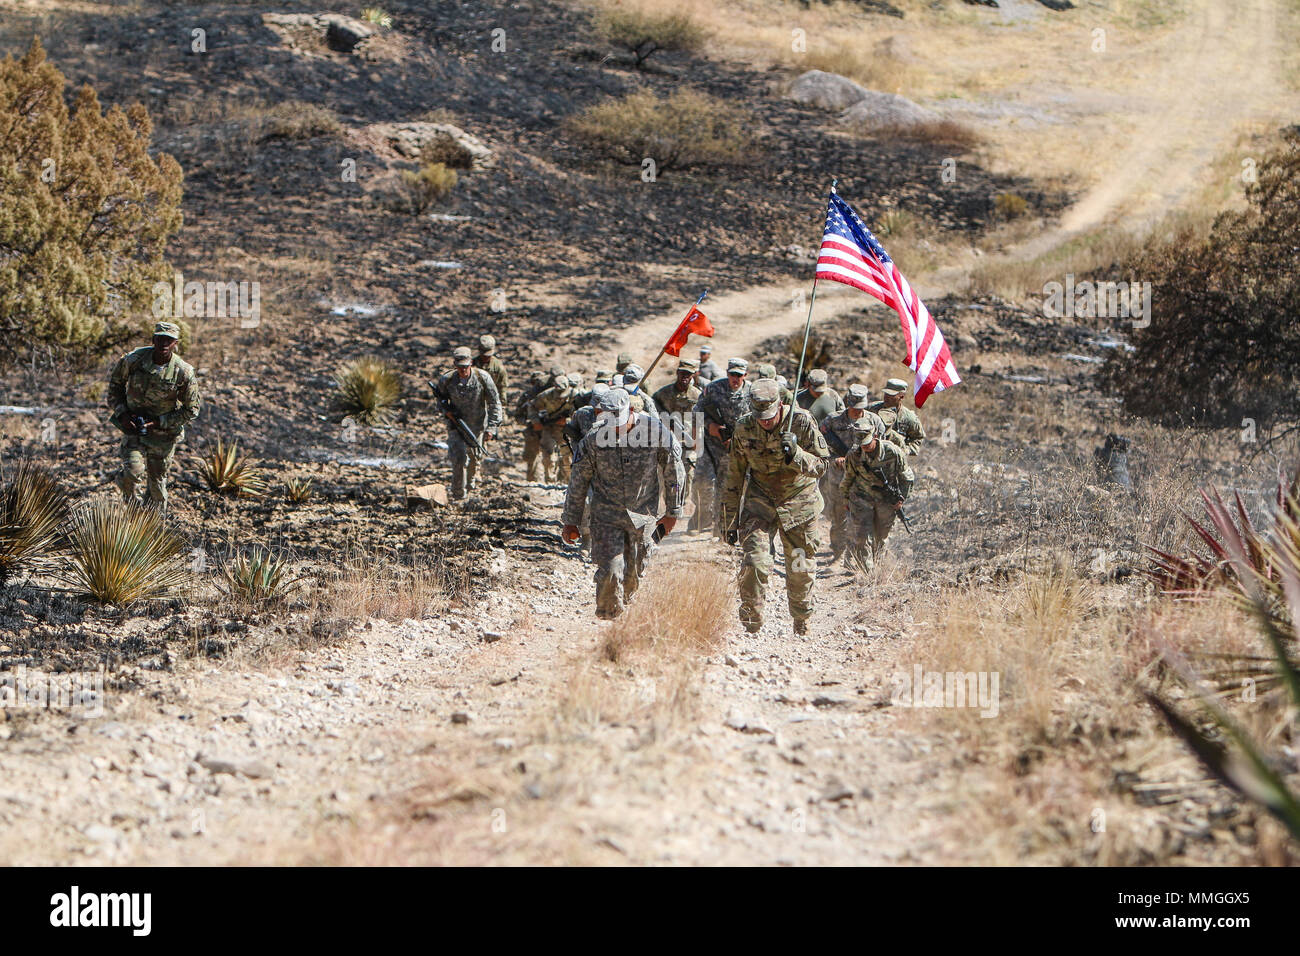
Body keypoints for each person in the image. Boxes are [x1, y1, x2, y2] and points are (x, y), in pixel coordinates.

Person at [561, 388, 684, 619]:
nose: (614, 428)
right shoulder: (593, 440)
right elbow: (578, 481)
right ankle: (609, 621)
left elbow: (674, 472)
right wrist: (571, 521)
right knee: (610, 572)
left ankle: (626, 613)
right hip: (606, 515)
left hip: (642, 515)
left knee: (632, 575)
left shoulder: (655, 432)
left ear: (630, 411)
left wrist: (673, 512)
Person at [722, 379, 829, 635]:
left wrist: (797, 454)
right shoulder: (744, 428)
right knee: (754, 562)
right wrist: (728, 522)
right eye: (760, 417)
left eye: (769, 416)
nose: (765, 421)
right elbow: (734, 478)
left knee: (799, 567)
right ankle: (751, 624)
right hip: (761, 502)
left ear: (780, 404)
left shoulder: (801, 422)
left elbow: (822, 466)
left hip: (799, 503)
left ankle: (801, 620)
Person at [106, 322, 201, 513]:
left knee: (157, 486)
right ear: (153, 339)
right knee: (131, 473)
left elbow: (191, 410)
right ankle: (132, 510)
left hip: (163, 436)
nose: (164, 343)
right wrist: (123, 414)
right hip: (134, 430)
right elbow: (115, 387)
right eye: (160, 338)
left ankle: (152, 528)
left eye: (169, 340)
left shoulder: (183, 372)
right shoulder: (134, 360)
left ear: (176, 343)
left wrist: (159, 422)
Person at [818, 384, 884, 563]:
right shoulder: (832, 420)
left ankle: (857, 557)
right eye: (854, 408)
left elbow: (881, 448)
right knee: (839, 516)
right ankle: (838, 554)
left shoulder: (874, 421)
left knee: (863, 518)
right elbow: (819, 444)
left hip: (864, 479)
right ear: (847, 403)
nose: (857, 412)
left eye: (860, 408)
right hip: (839, 477)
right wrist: (834, 458)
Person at [840, 416, 913, 574]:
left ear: (875, 436)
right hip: (861, 498)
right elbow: (848, 478)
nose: (864, 447)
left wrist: (901, 498)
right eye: (861, 443)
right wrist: (845, 498)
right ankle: (868, 573)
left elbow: (907, 477)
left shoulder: (892, 452)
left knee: (881, 538)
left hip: (886, 501)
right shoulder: (854, 454)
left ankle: (880, 570)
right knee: (862, 537)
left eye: (867, 442)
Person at [694, 357, 752, 537]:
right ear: (727, 373)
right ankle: (708, 522)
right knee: (704, 483)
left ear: (745, 375)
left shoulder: (752, 392)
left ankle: (729, 528)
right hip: (713, 447)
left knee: (733, 488)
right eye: (732, 374)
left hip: (740, 448)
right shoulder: (713, 388)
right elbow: (697, 411)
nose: (735, 379)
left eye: (739, 375)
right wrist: (709, 425)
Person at [436, 346, 502, 500]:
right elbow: (439, 401)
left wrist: (492, 427)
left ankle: (470, 485)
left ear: (471, 363)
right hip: (456, 426)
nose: (463, 370)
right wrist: (447, 412)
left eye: (465, 367)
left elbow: (495, 403)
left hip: (477, 426)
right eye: (459, 367)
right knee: (458, 458)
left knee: (474, 458)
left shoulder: (483, 378)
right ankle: (459, 494)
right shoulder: (447, 380)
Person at [652, 359, 701, 515]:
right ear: (677, 373)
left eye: (688, 374)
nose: (684, 377)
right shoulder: (663, 393)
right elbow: (653, 409)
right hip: (667, 443)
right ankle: (666, 510)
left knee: (687, 477)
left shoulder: (697, 395)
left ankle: (679, 504)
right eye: (682, 373)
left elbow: (700, 420)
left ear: (693, 375)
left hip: (688, 444)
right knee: (664, 478)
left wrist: (696, 440)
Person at [526, 370, 578, 482]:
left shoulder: (575, 395)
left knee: (568, 456)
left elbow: (582, 413)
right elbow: (532, 407)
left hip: (567, 429)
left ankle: (569, 482)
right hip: (549, 427)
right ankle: (549, 481)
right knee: (548, 454)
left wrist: (568, 420)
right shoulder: (546, 395)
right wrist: (536, 421)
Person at [868, 378, 925, 456]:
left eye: (891, 395)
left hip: (894, 462)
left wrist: (905, 450)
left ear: (901, 396)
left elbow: (918, 438)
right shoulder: (871, 410)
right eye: (886, 393)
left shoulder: (910, 419)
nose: (886, 397)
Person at [474, 334, 508, 407]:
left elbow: (502, 387)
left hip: (492, 402)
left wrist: (502, 406)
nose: (486, 357)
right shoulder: (471, 365)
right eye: (484, 355)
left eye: (488, 355)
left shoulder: (498, 367)